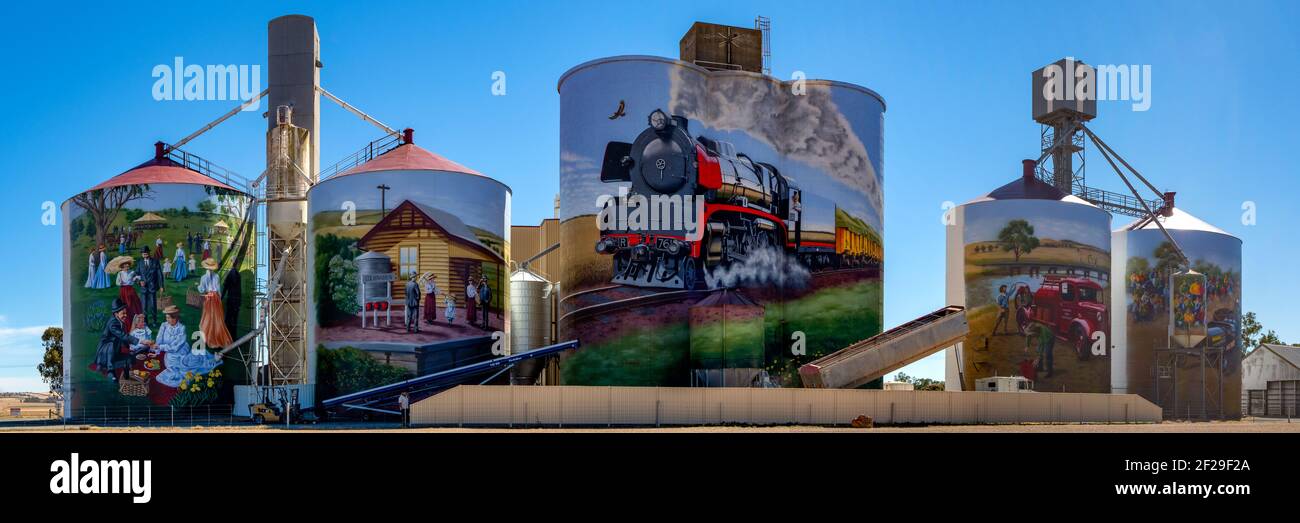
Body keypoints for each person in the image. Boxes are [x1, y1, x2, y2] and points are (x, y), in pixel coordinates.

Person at [153, 305, 222, 389]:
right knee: (185, 369)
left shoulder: (181, 328)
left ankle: (213, 360)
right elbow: (159, 340)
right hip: (171, 358)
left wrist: (160, 347)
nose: (167, 320)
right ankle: (213, 360)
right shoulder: (164, 325)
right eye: (166, 318)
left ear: (175, 318)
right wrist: (156, 350)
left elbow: (175, 347)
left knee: (194, 360)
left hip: (182, 352)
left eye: (169, 318)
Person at [94, 298, 153, 382]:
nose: (126, 315)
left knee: (130, 359)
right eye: (123, 313)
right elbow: (123, 335)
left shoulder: (120, 322)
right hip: (106, 351)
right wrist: (141, 341)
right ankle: (110, 371)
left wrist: (130, 348)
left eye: (126, 313)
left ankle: (122, 368)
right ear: (116, 314)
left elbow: (124, 338)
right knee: (111, 345)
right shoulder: (113, 323)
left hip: (116, 349)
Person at [197, 257, 233, 348]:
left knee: (208, 317)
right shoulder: (216, 276)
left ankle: (208, 336)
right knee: (217, 318)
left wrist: (198, 286)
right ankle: (214, 336)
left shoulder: (203, 277)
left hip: (209, 298)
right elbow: (218, 290)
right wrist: (219, 299)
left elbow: (202, 290)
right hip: (216, 298)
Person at [112, 256, 144, 327]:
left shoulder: (132, 272)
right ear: (122, 267)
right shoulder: (120, 273)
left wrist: (137, 280)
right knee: (125, 304)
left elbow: (136, 278)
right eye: (125, 266)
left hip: (130, 289)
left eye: (127, 266)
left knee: (133, 304)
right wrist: (120, 282)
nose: (126, 267)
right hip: (123, 290)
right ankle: (126, 321)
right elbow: (117, 283)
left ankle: (136, 320)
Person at [137, 247, 164, 326]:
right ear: (142, 254)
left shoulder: (155, 261)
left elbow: (159, 274)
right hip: (143, 288)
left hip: (152, 287)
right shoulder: (140, 263)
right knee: (144, 306)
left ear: (149, 253)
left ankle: (154, 321)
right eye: (143, 253)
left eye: (146, 253)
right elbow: (136, 274)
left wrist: (161, 286)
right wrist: (139, 281)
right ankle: (145, 322)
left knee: (153, 305)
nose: (145, 254)